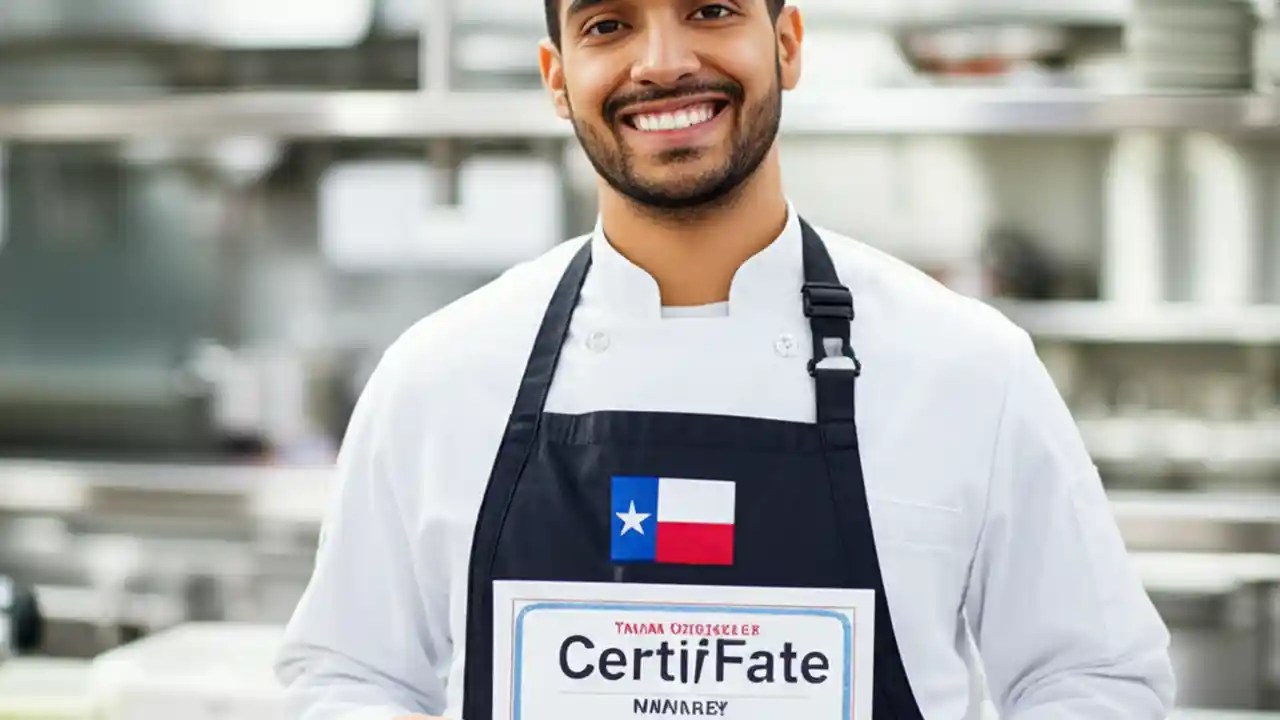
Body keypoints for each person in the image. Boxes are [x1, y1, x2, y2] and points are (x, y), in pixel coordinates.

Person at [274, 0, 1177, 717]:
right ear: (558, 77)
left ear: (787, 43)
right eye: (607, 24)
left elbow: (1094, 680)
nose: (661, 60)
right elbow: (352, 679)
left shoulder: (970, 369)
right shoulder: (438, 378)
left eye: (709, 10)